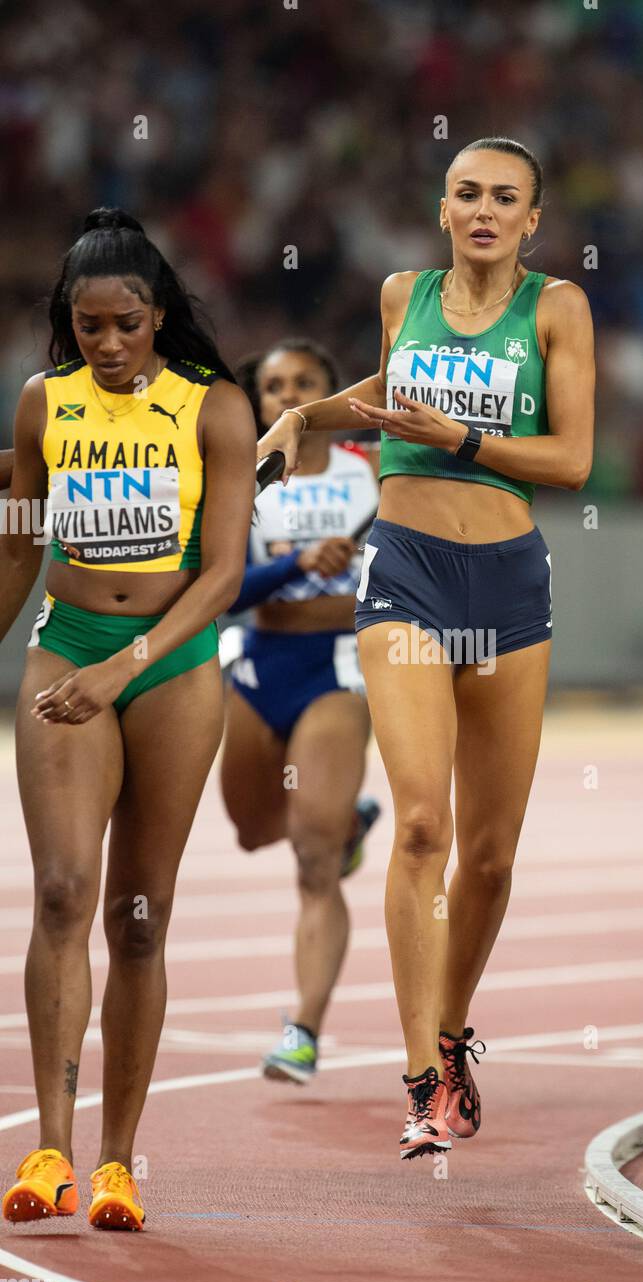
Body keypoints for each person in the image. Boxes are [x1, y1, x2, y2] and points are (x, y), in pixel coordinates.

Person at [257, 138, 595, 1158]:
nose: (483, 210)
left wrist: (458, 438)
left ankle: (450, 1042)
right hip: (402, 571)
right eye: (465, 194)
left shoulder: (556, 308)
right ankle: (417, 1081)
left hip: (505, 584)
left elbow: (571, 458)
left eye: (504, 198)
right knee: (417, 825)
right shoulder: (405, 292)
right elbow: (386, 383)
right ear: (442, 207)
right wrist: (302, 418)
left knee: (488, 857)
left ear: (532, 219)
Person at [0, 207, 255, 1227]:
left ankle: (117, 1160)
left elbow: (224, 573)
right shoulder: (40, 405)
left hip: (176, 663)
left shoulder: (214, 409)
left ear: (160, 317)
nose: (108, 345)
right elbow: (19, 544)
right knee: (62, 891)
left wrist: (127, 671)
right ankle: (51, 1149)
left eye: (128, 324)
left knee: (136, 920)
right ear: (67, 324)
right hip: (66, 649)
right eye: (88, 326)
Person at [220, 338, 382, 1083]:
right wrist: (291, 564)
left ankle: (304, 1031)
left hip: (337, 670)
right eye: (274, 385)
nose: (288, 396)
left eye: (305, 383)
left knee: (312, 862)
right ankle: (348, 819)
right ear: (256, 401)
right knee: (256, 831)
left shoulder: (371, 475)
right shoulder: (236, 481)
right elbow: (219, 592)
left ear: (330, 394)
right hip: (256, 665)